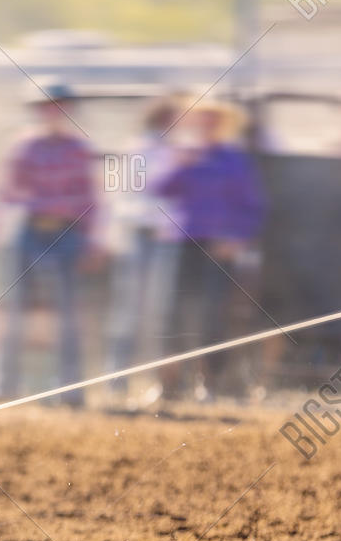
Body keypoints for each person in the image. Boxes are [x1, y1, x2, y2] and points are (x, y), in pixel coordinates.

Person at [0, 83, 105, 406]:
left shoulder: (78, 149)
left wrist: (93, 239)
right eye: (47, 107)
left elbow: (91, 199)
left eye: (59, 107)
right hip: (28, 232)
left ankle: (71, 388)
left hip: (67, 233)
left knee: (67, 313)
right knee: (14, 311)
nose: (53, 113)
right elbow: (3, 193)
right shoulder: (24, 147)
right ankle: (3, 386)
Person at [156, 100, 266, 400]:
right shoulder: (185, 156)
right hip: (183, 242)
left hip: (218, 247)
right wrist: (180, 165)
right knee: (173, 314)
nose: (206, 125)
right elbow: (160, 188)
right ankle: (169, 384)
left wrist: (236, 238)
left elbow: (250, 207)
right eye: (202, 119)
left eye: (212, 120)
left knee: (213, 315)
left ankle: (209, 383)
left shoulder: (233, 160)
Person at [106, 94, 184, 405]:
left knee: (154, 313)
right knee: (132, 311)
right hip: (141, 234)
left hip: (161, 237)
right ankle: (118, 381)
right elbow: (125, 196)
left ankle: (148, 382)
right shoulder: (138, 149)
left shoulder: (169, 151)